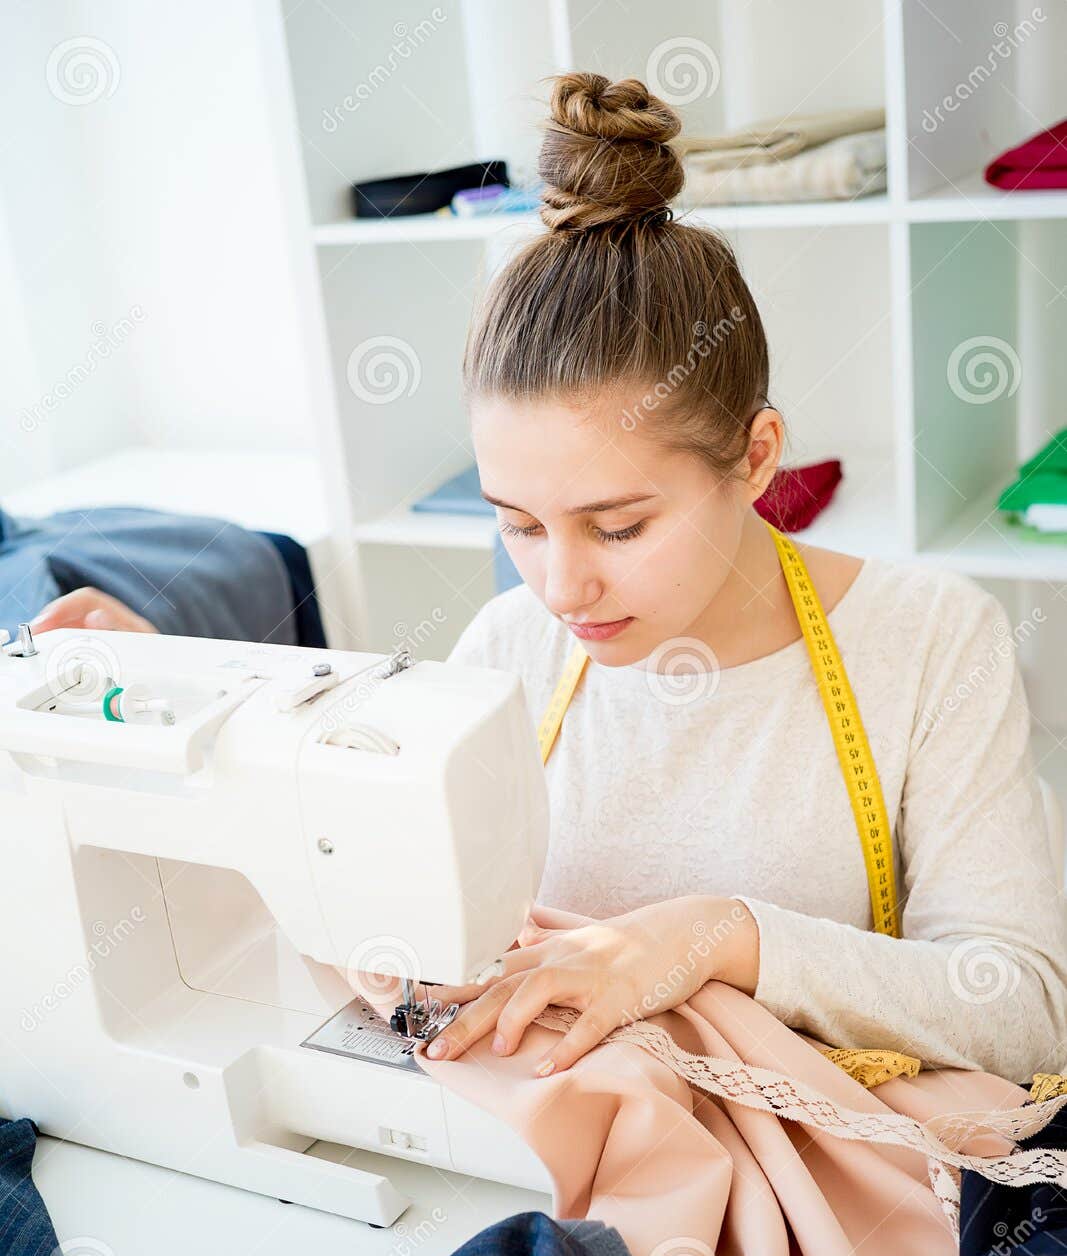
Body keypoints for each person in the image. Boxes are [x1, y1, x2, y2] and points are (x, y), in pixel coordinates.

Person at [405, 70, 1067, 1089]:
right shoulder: (503, 651)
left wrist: (728, 936)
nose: (561, 588)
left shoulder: (929, 640)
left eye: (617, 525)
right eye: (519, 526)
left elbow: (1024, 1012)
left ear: (756, 457)